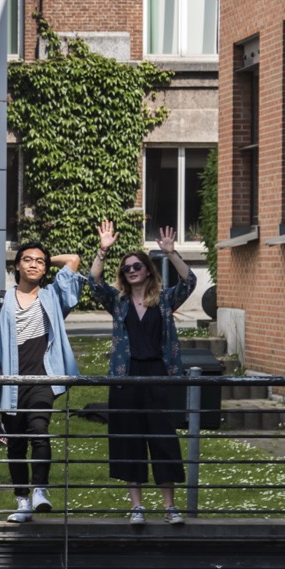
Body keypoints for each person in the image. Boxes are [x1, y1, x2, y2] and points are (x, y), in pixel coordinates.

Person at [0, 240, 84, 523]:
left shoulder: (53, 296)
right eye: (27, 260)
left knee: (39, 430)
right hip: (9, 383)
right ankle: (22, 501)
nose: (34, 265)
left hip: (42, 378)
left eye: (39, 262)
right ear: (16, 265)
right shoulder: (0, 299)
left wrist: (46, 258)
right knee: (16, 443)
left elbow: (73, 260)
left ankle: (40, 489)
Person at [90, 220, 197, 527]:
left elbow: (189, 283)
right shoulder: (119, 302)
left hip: (157, 375)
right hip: (125, 378)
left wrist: (172, 253)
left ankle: (169, 507)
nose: (132, 271)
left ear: (148, 269)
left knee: (163, 439)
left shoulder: (163, 301)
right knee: (129, 440)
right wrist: (103, 250)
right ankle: (137, 507)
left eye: (137, 266)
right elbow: (94, 284)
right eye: (127, 268)